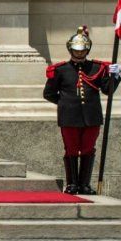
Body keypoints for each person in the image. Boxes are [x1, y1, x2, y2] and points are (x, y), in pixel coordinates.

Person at [43, 26, 120, 194]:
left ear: (87, 49)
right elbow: (48, 93)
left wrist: (116, 76)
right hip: (69, 117)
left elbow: (108, 90)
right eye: (76, 50)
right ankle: (72, 184)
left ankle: (84, 184)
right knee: (71, 149)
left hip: (91, 117)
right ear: (70, 49)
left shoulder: (97, 68)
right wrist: (65, 103)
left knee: (88, 149)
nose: (79, 53)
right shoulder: (60, 70)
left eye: (82, 50)